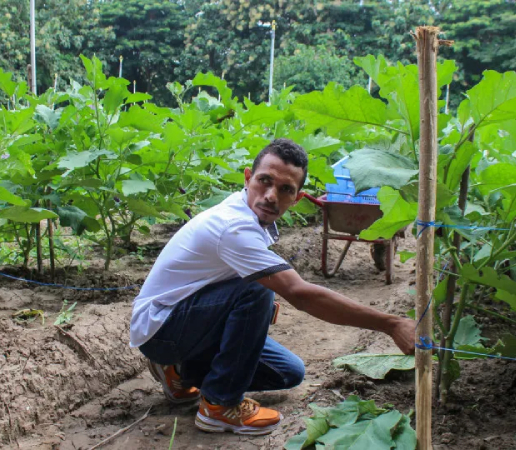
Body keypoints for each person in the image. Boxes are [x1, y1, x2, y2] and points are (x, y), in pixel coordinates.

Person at [129, 138, 416, 436]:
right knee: (257, 290)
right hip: (162, 329)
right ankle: (219, 406)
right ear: (247, 178)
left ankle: (179, 372)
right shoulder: (235, 227)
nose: (270, 195)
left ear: (297, 197)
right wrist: (391, 324)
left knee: (288, 372)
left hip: (180, 318)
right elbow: (300, 294)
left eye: (285, 189)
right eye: (264, 181)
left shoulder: (249, 215)